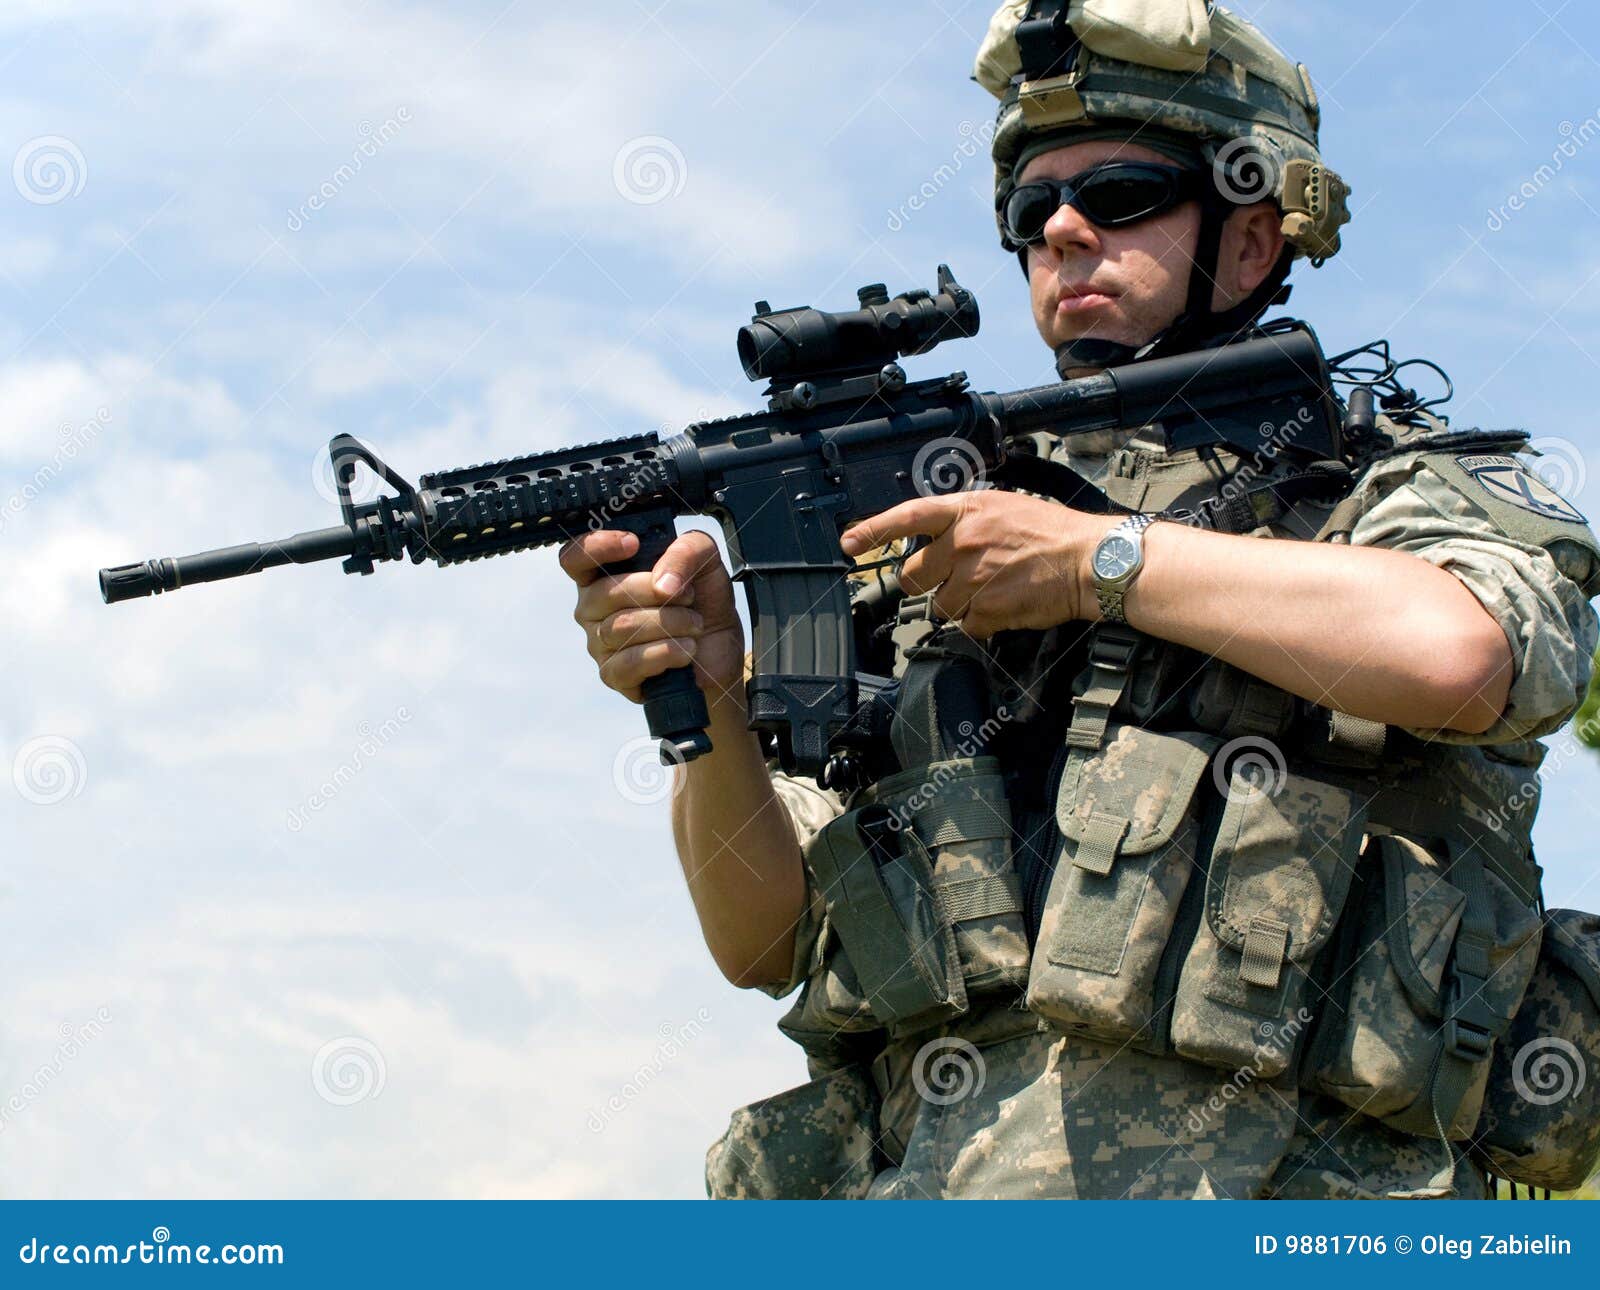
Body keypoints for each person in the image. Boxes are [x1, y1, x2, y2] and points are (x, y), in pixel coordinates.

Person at [561, 0, 1600, 1199]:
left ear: (1253, 237)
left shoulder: (1387, 490)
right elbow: (762, 938)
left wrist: (1095, 563)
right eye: (1028, 210)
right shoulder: (939, 550)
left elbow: (1461, 653)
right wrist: (714, 707)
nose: (1060, 230)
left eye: (1120, 194)